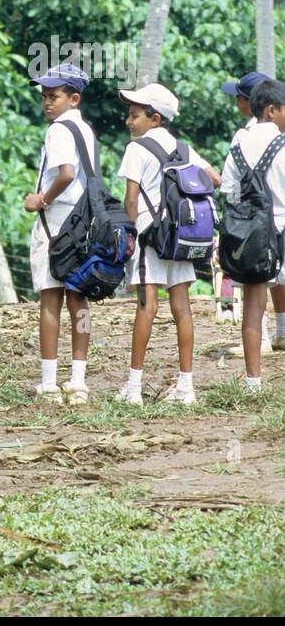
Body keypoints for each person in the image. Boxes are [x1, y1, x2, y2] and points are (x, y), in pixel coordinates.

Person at [115, 84, 221, 404]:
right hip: (182, 237)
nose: (128, 121)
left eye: (134, 115)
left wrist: (128, 235)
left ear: (155, 118)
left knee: (147, 307)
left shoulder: (137, 149)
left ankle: (134, 388)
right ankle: (186, 387)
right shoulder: (184, 149)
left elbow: (131, 200)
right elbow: (214, 180)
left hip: (150, 237)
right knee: (182, 308)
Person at [23, 63, 95, 405]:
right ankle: (78, 381)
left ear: (74, 98)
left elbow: (65, 173)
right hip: (83, 222)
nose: (47, 103)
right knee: (78, 301)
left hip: (56, 222)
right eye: (44, 97)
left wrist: (41, 199)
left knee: (50, 299)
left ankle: (49, 383)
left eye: (54, 96)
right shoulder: (86, 130)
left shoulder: (57, 130)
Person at [220, 76, 285, 390]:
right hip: (283, 228)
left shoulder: (238, 141)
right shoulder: (283, 144)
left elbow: (229, 189)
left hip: (253, 236)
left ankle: (253, 383)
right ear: (272, 110)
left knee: (252, 306)